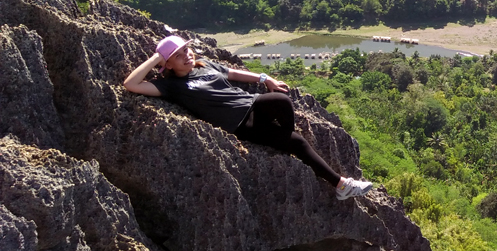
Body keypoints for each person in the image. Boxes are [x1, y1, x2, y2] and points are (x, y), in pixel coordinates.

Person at [124, 35, 372, 200]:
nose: (187, 55)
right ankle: (342, 186)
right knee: (297, 142)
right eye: (178, 55)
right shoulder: (171, 87)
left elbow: (234, 74)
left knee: (282, 100)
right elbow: (131, 84)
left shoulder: (204, 64)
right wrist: (158, 55)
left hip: (253, 104)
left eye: (186, 50)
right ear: (168, 64)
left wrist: (266, 79)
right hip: (241, 124)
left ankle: (282, 139)